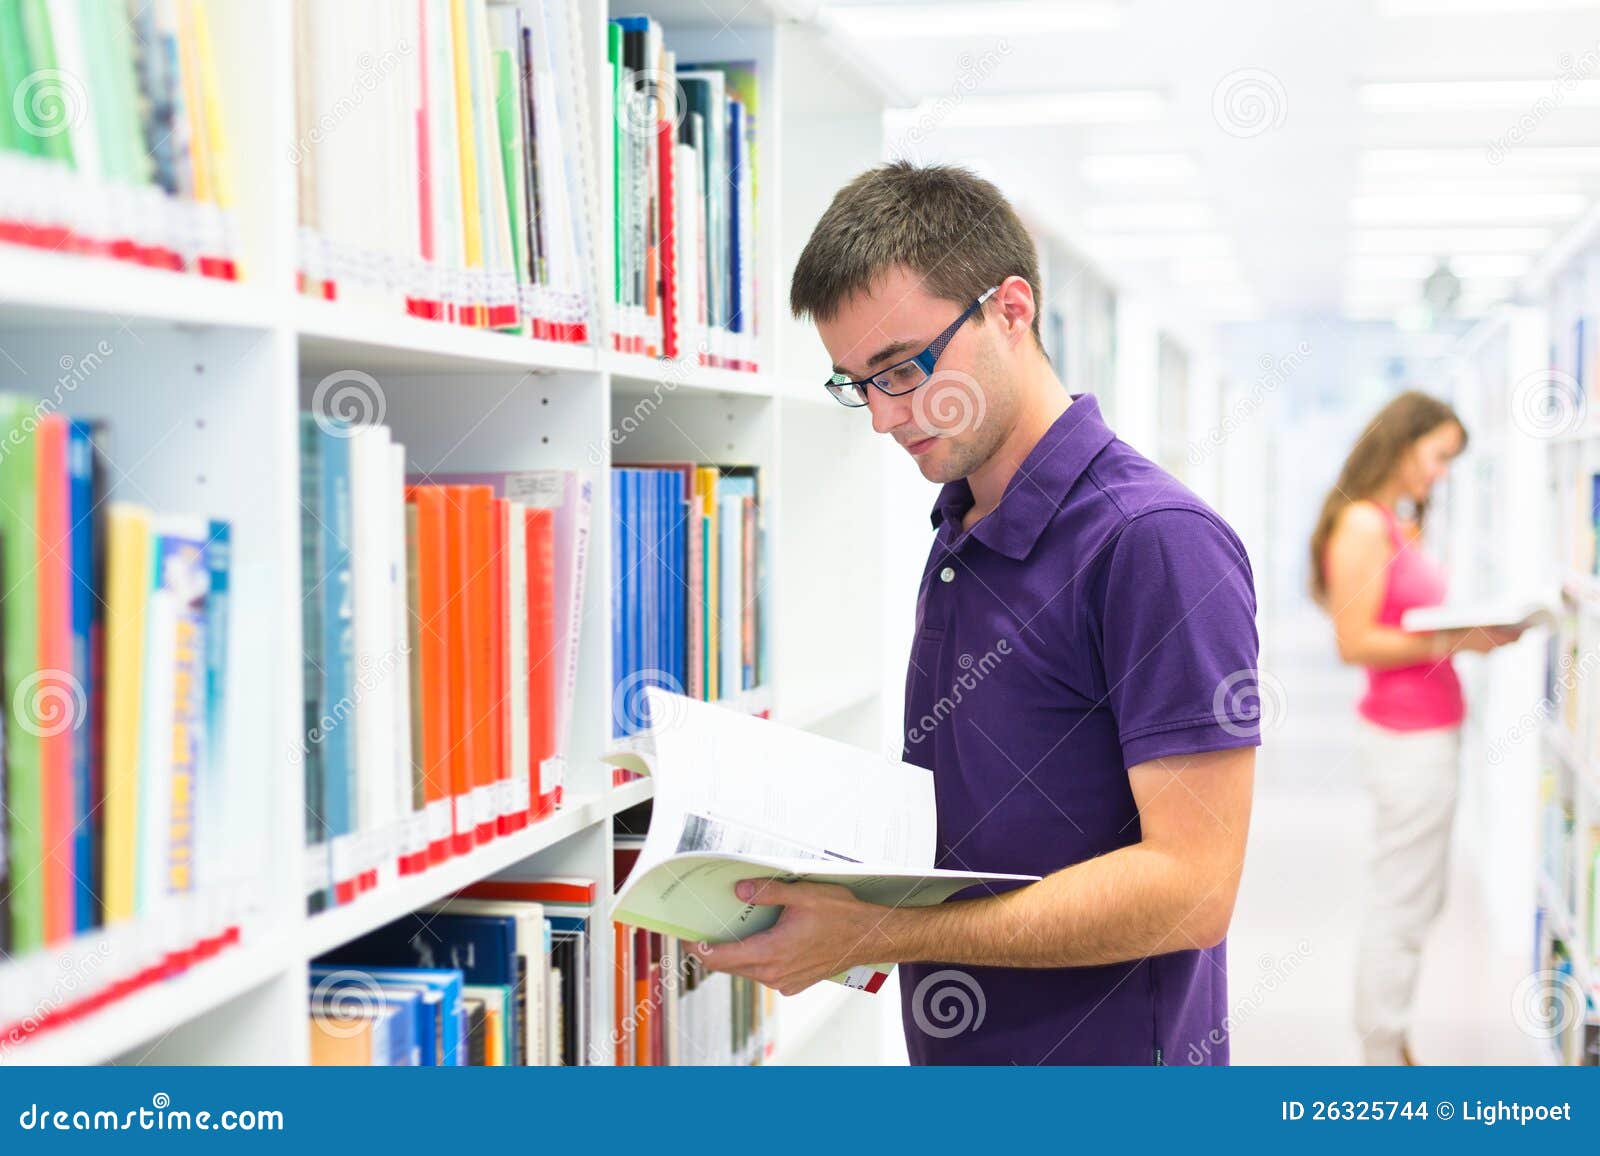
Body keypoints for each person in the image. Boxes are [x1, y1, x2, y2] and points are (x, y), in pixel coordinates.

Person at [694, 161, 1261, 1065]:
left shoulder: (1154, 543)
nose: (884, 419)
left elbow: (1193, 889)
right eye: (855, 384)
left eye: (903, 368)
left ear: (1010, 309)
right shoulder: (963, 521)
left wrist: (879, 935)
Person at [1310, 391, 1521, 1066]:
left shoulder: (1395, 524)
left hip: (1427, 733)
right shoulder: (1364, 526)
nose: (1442, 472)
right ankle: (1384, 1052)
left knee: (1417, 898)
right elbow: (1355, 641)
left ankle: (1391, 1039)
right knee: (1403, 902)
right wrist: (1459, 641)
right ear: (1403, 445)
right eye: (1438, 456)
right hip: (1406, 740)